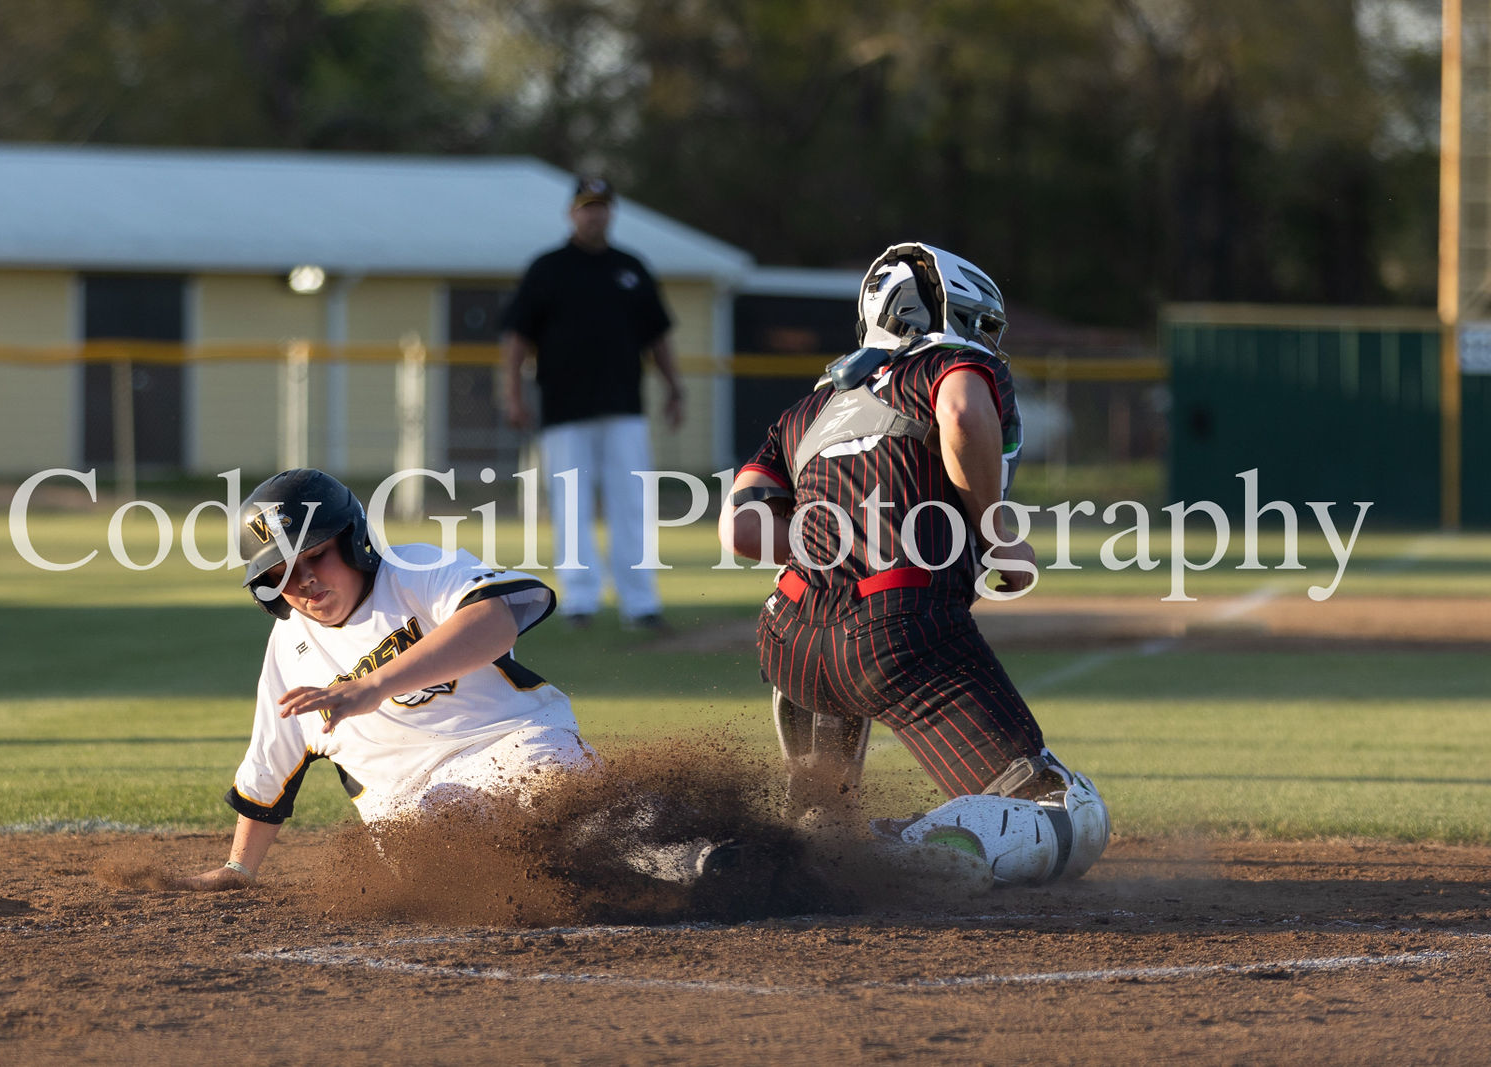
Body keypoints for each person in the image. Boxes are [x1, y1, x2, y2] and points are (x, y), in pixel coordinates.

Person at [717, 242, 1110, 888]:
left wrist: (837, 546)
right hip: (900, 634)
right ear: (942, 309)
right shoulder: (952, 364)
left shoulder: (808, 408)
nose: (988, 343)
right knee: (1069, 810)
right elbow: (959, 411)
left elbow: (742, 527)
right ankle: (909, 844)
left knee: (824, 804)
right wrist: (996, 532)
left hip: (791, 640)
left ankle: (815, 834)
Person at [175, 468, 747, 894]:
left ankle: (696, 860)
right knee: (458, 862)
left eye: (315, 558)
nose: (303, 583)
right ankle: (608, 888)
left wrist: (370, 687)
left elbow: (494, 621)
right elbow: (269, 767)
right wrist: (238, 867)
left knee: (557, 794)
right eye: (280, 576)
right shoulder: (290, 651)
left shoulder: (415, 570)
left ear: (354, 540)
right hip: (408, 802)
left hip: (510, 738)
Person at [500, 175, 683, 632]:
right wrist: (512, 392)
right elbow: (517, 335)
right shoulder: (548, 268)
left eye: (600, 206)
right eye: (586, 207)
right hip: (565, 408)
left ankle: (640, 602)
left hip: (624, 406)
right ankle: (580, 599)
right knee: (571, 504)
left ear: (611, 212)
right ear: (571, 213)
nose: (593, 214)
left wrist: (674, 387)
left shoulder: (630, 267)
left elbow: (657, 336)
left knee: (631, 503)